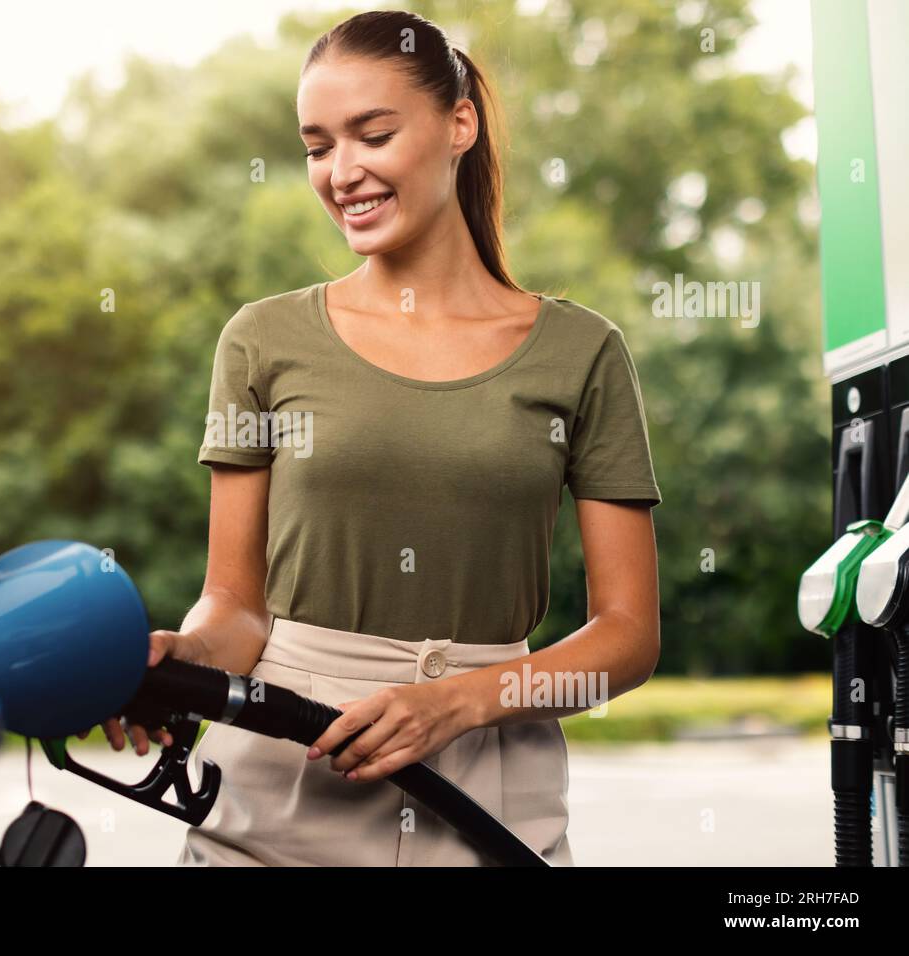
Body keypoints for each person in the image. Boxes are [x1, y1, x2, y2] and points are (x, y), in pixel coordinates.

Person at [86, 9, 662, 866]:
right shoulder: (262, 341)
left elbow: (628, 634)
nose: (340, 172)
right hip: (282, 778)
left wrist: (461, 701)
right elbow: (238, 606)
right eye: (318, 146)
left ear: (458, 124)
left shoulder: (584, 354)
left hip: (487, 788)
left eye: (373, 134)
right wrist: (184, 659)